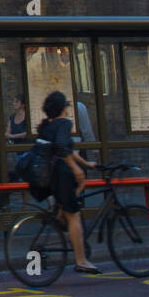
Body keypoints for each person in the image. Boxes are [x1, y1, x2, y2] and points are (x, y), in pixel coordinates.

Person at [36, 91, 99, 273]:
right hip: (62, 175)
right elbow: (63, 149)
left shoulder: (48, 125)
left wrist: (87, 164)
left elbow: (67, 150)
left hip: (52, 174)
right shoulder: (64, 123)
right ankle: (81, 260)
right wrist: (77, 169)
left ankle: (59, 215)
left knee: (69, 206)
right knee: (75, 216)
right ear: (63, 108)